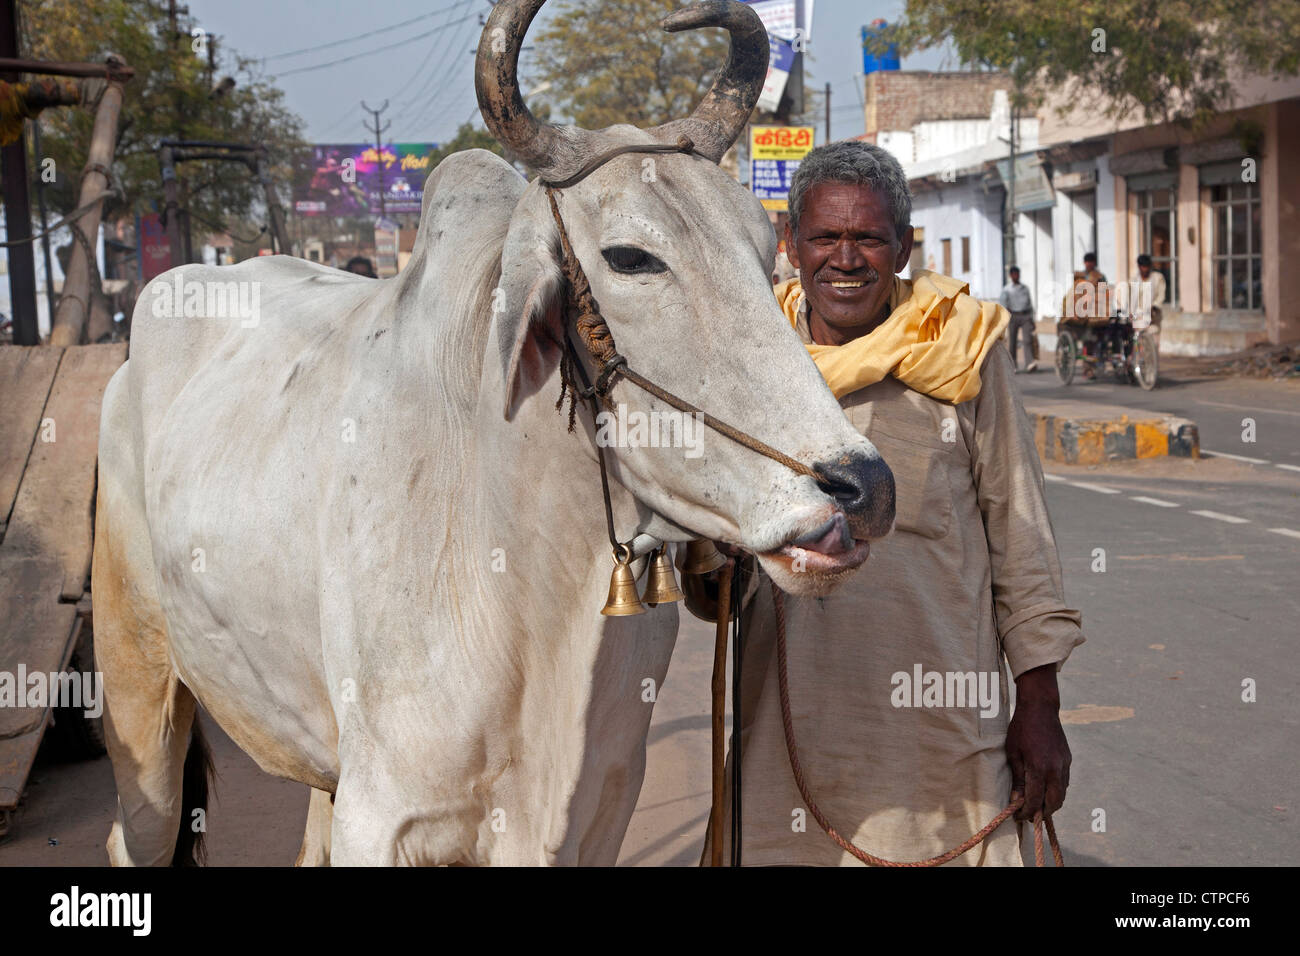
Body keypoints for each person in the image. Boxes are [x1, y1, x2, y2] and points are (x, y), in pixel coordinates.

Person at [689, 140, 1084, 866]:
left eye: (868, 237)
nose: (846, 259)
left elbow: (1019, 533)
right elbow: (709, 568)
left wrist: (1040, 703)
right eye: (825, 237)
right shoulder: (749, 364)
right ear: (790, 244)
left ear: (902, 246)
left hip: (943, 731)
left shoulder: (962, 351)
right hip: (789, 732)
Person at [1000, 265, 1037, 372]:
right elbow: (1003, 304)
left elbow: (1030, 304)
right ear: (1011, 276)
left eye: (1017, 274)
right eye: (1014, 274)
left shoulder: (1025, 288)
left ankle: (1029, 363)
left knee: (1027, 340)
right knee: (1012, 341)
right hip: (1013, 316)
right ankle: (1013, 364)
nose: (1016, 276)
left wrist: (1032, 319)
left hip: (1025, 316)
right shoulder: (1007, 289)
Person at [1130, 254, 1166, 343]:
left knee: (1154, 342)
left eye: (1147, 266)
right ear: (1139, 267)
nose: (1145, 269)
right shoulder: (1134, 280)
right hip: (1139, 317)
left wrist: (1154, 307)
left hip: (1154, 316)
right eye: (1143, 267)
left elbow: (1161, 295)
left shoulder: (1158, 278)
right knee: (1139, 343)